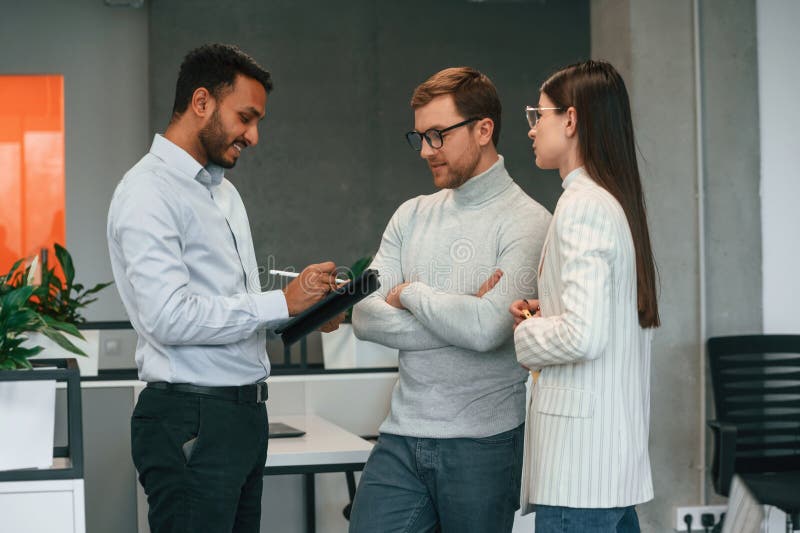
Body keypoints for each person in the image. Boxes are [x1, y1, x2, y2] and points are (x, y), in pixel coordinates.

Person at [107, 43, 342, 533]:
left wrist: (305, 310)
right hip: (191, 418)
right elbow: (167, 316)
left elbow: (231, 303)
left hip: (241, 417)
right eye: (245, 117)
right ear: (201, 103)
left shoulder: (223, 192)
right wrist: (281, 299)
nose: (253, 136)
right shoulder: (147, 191)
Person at [348, 67, 552, 533]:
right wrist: (461, 307)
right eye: (419, 137)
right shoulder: (410, 215)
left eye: (438, 135)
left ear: (483, 129)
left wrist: (413, 293)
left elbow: (486, 332)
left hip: (484, 443)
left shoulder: (529, 223)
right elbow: (364, 317)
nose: (425, 150)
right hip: (400, 436)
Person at [510, 60, 661, 532]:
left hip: (579, 471)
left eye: (540, 115)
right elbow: (601, 320)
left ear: (571, 120)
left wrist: (527, 332)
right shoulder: (610, 202)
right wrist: (548, 310)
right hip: (606, 468)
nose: (532, 129)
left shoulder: (582, 207)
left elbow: (583, 334)